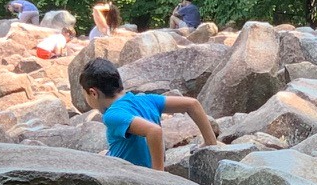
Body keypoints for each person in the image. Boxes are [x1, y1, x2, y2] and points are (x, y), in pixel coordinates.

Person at [77, 57, 218, 170]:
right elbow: (192, 104)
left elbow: (153, 131)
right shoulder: (145, 99)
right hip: (143, 164)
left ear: (93, 93)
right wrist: (210, 141)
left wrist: (157, 174)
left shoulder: (112, 115)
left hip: (134, 175)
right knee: (103, 154)